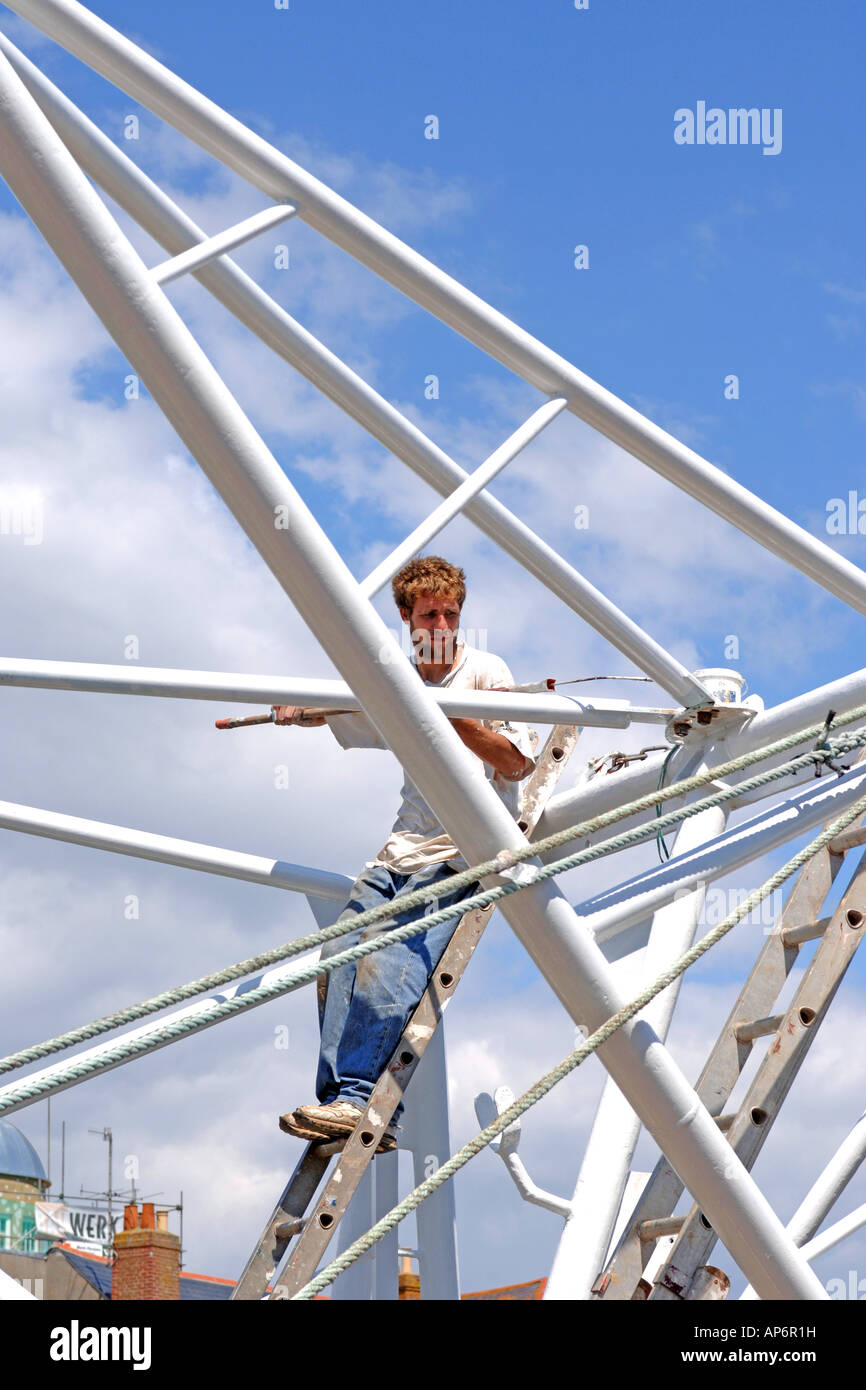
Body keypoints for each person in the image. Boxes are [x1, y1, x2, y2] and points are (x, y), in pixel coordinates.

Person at [274, 556, 537, 1152]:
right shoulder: (398, 679)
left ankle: (361, 1096)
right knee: (338, 955)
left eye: (451, 613)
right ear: (405, 618)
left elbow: (516, 760)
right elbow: (355, 714)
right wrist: (295, 710)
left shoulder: (485, 671)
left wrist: (448, 714)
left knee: (391, 959)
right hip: (401, 850)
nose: (442, 623)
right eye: (429, 614)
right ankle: (338, 1097)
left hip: (460, 849)